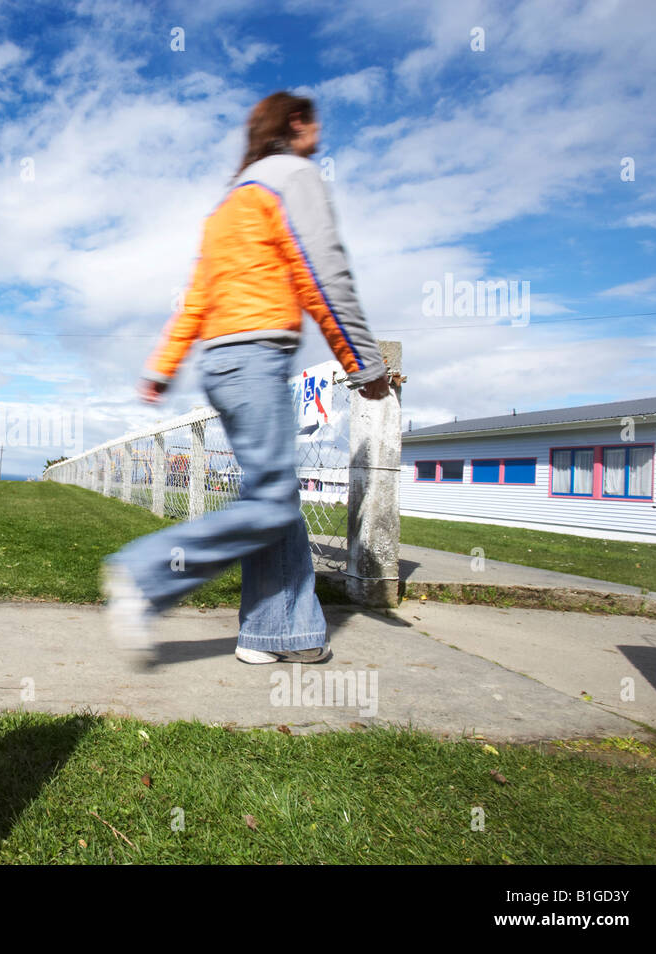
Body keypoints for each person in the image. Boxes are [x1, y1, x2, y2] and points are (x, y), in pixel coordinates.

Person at [104, 91, 392, 667]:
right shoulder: (293, 177)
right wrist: (363, 363)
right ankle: (146, 572)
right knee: (272, 504)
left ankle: (277, 633)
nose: (320, 136)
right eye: (316, 124)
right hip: (256, 357)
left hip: (221, 364)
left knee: (274, 497)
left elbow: (196, 300)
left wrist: (162, 367)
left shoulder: (226, 209)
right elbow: (323, 274)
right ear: (296, 123)